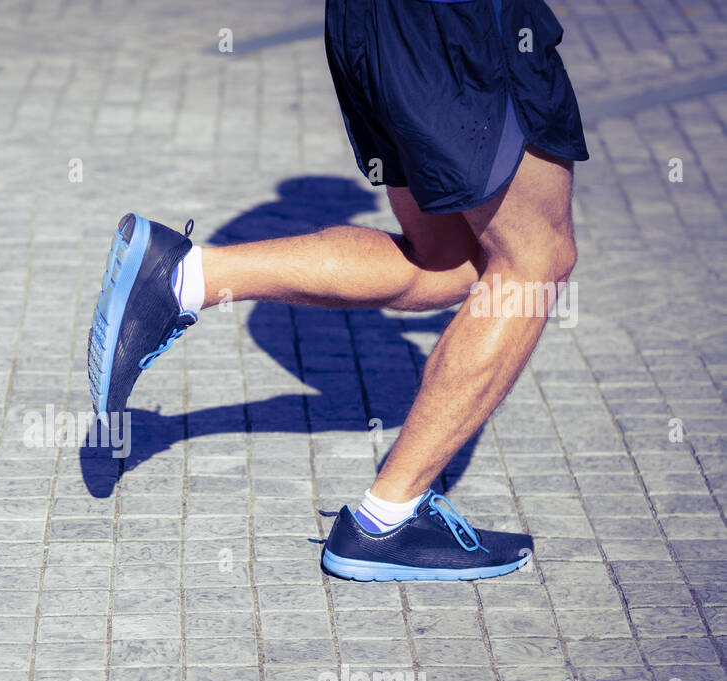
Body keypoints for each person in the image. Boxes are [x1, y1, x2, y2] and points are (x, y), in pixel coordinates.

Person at [86, 0, 587, 582]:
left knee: (448, 262)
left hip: (370, 22)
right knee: (536, 259)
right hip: (460, 25)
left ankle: (180, 280)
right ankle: (384, 523)